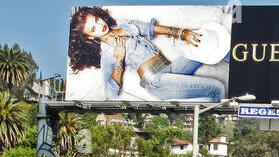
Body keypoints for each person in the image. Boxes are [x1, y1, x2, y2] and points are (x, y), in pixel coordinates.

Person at [68, 6, 225, 101]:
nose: (99, 25)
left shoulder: (122, 24)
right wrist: (119, 60)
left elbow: (151, 29)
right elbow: (111, 93)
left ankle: (244, 63)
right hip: (156, 81)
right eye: (93, 29)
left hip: (168, 68)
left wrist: (181, 32)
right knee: (217, 88)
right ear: (89, 36)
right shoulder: (108, 53)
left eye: (96, 20)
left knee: (206, 47)